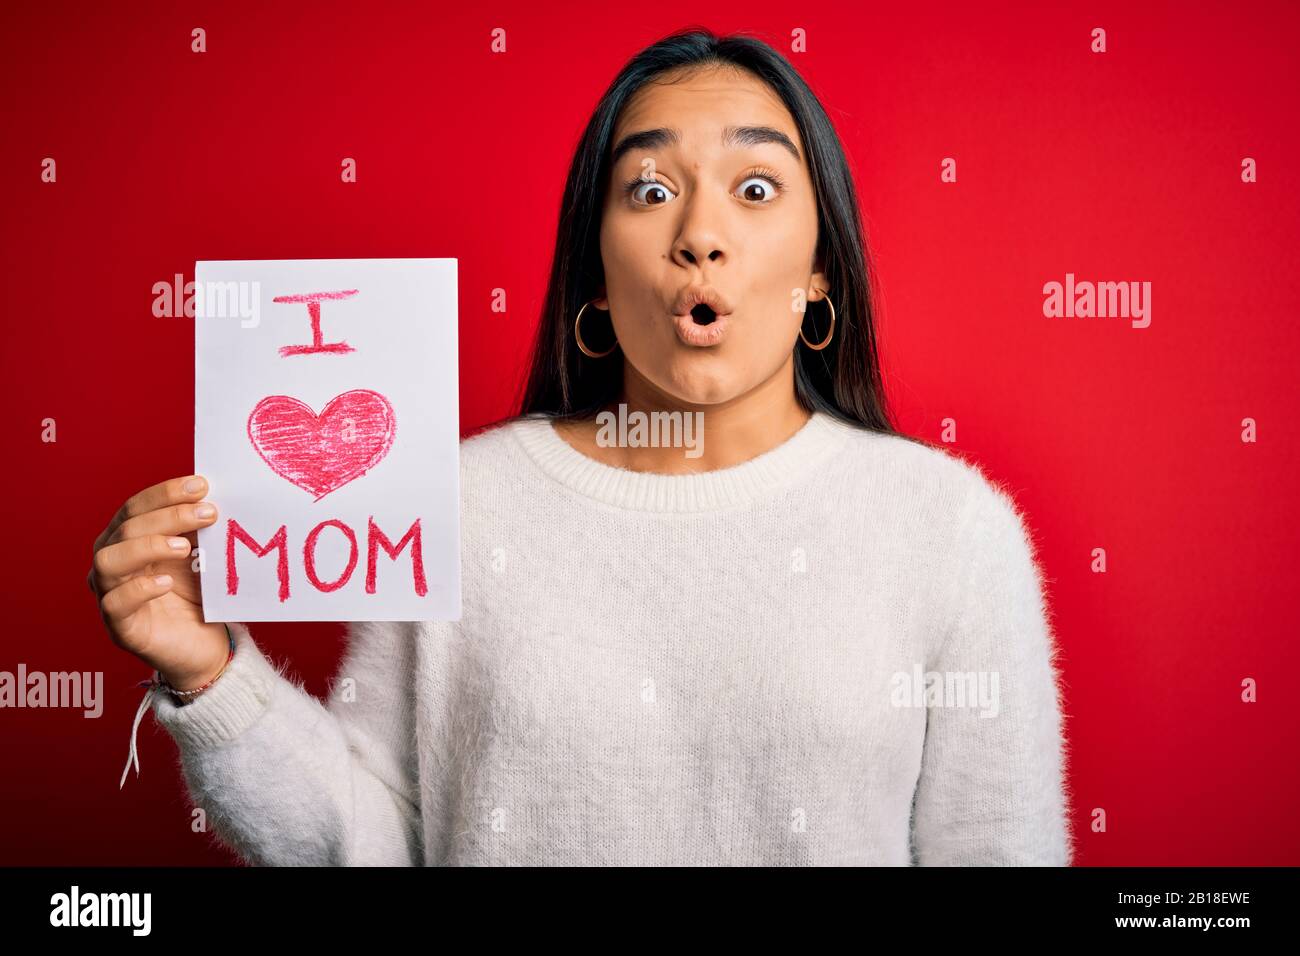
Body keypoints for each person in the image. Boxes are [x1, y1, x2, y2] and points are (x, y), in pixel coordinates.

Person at [89, 28, 1073, 866]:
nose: (700, 233)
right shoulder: (463, 503)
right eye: (648, 190)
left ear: (820, 271)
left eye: (757, 185)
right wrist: (210, 672)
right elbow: (371, 838)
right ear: (594, 274)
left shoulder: (950, 529)